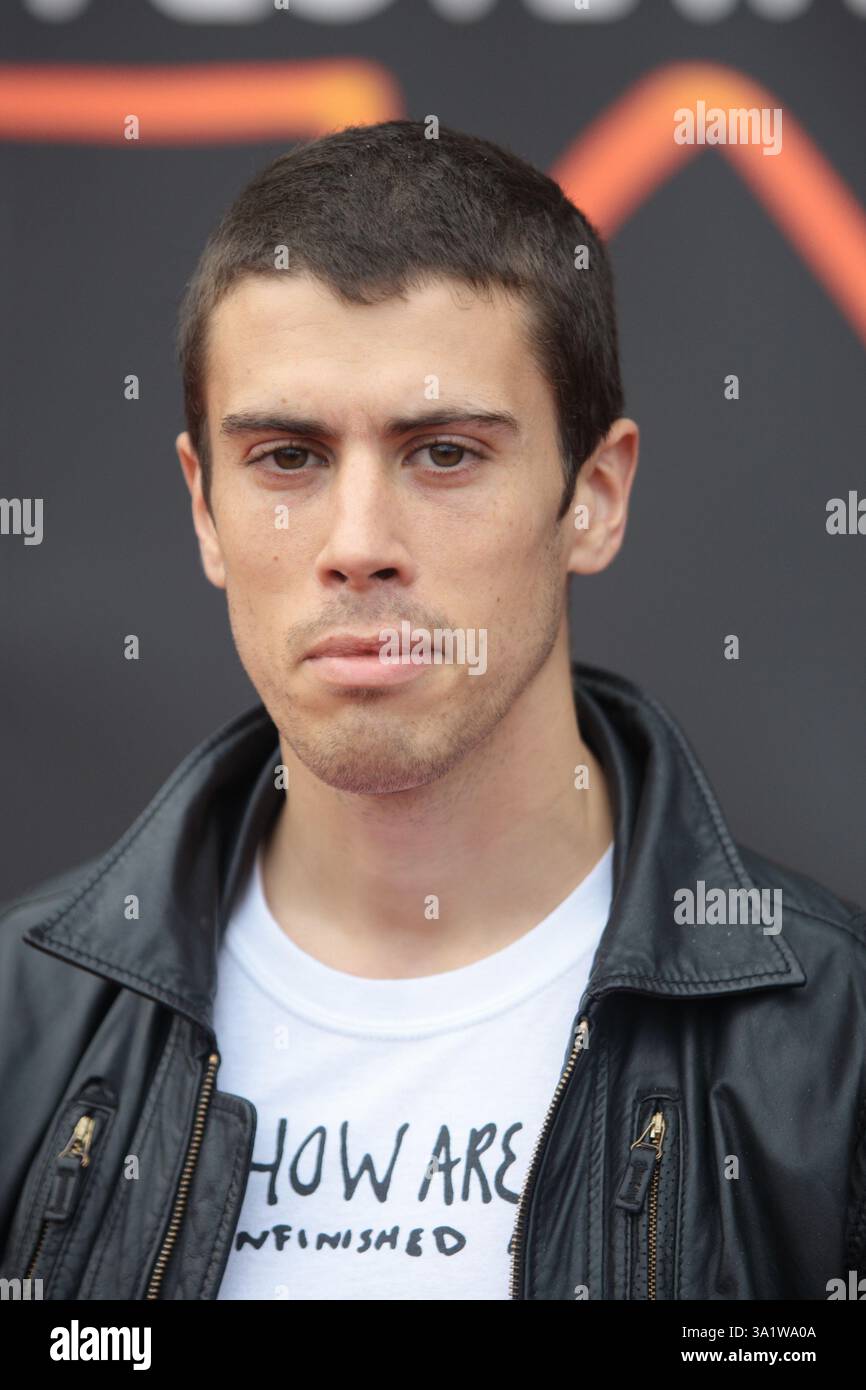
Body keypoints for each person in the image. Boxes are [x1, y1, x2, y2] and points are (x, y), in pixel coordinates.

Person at [1, 120, 864, 1303]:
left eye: (444, 453)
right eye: (288, 458)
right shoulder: (18, 1025)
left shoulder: (838, 1048)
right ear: (204, 509)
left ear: (593, 497)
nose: (357, 546)